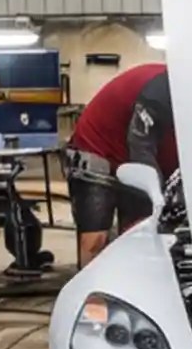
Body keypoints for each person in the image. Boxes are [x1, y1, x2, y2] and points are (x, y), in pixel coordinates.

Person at [65, 63, 177, 267]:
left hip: (142, 157)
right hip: (99, 149)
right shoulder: (162, 89)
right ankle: (93, 290)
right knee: (95, 241)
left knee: (138, 237)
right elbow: (140, 148)